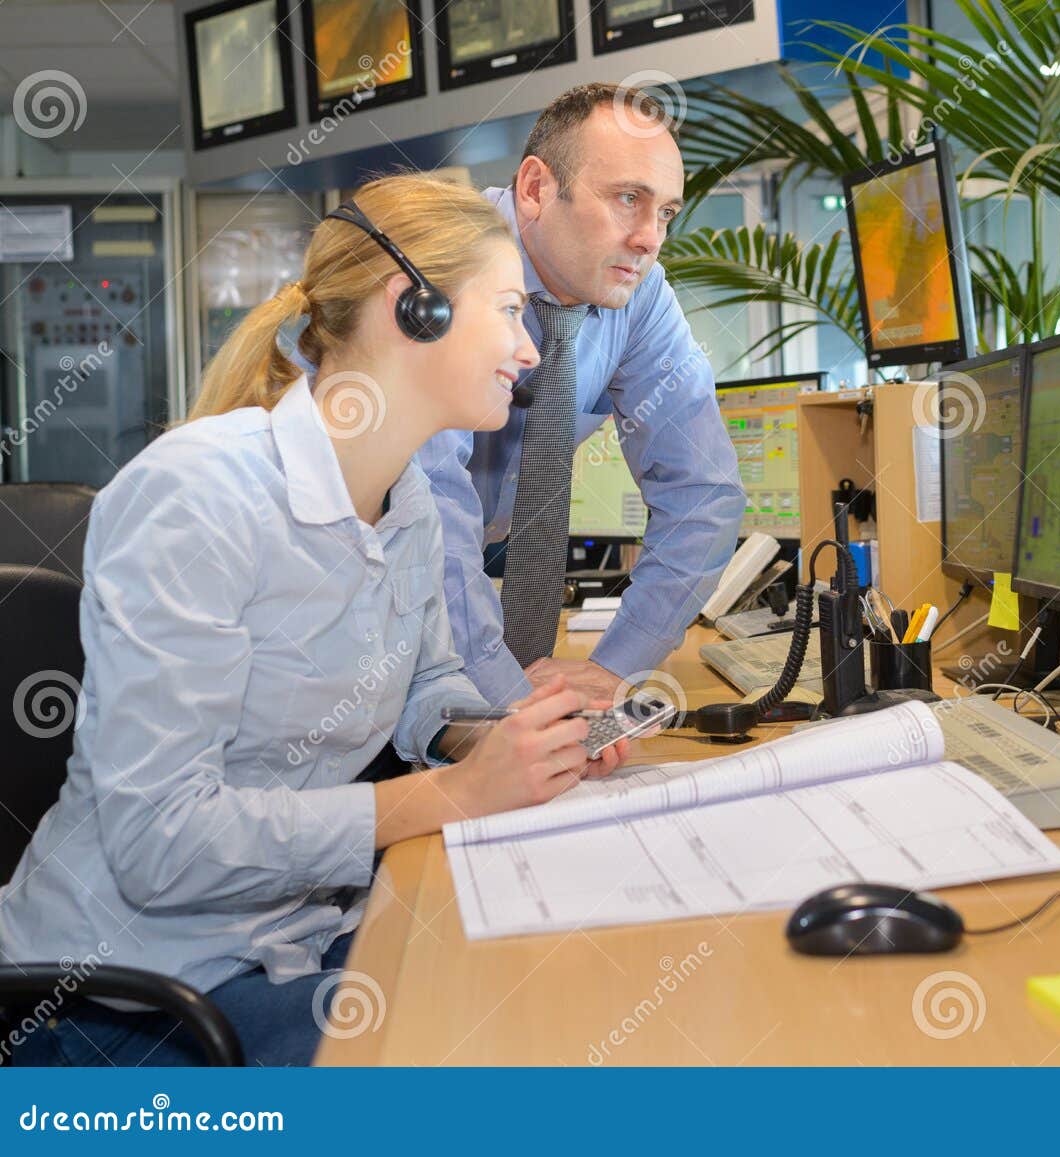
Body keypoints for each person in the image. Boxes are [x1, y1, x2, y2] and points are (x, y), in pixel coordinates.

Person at [0, 173, 628, 1067]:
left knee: (545, 1015)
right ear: (413, 308)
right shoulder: (196, 496)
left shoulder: (405, 497)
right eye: (510, 310)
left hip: (294, 941)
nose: (530, 352)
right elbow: (158, 840)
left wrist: (500, 739)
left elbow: (427, 685)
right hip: (129, 997)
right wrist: (448, 794)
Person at [417, 82, 744, 708]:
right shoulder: (442, 264)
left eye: (667, 212)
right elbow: (430, 507)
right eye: (628, 199)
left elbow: (703, 492)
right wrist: (511, 699)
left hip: (462, 605)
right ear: (536, 188)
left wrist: (615, 671)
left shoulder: (639, 294)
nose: (652, 238)